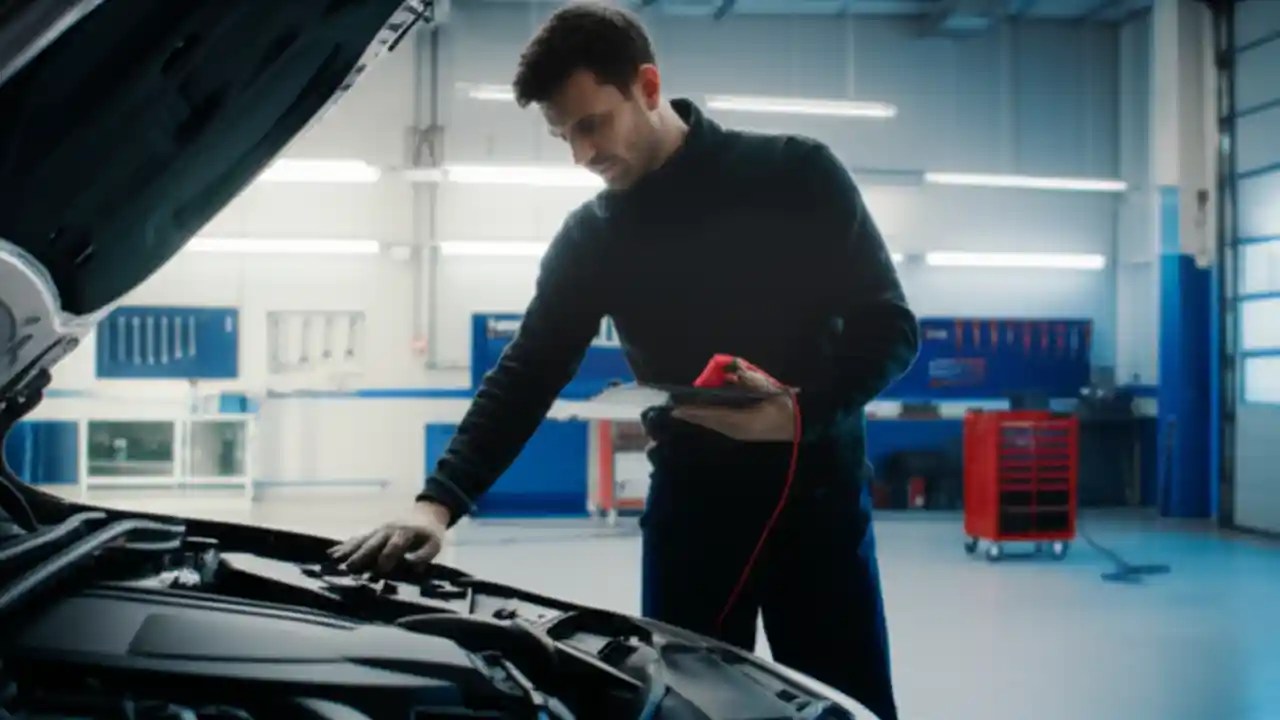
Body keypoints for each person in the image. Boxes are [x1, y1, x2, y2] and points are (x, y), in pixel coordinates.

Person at [331, 3, 919, 717]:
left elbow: (888, 329)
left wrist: (796, 415)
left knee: (849, 705)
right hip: (693, 516)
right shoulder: (592, 238)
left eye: (591, 125)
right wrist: (437, 504)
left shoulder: (796, 174)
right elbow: (529, 371)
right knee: (679, 708)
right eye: (561, 136)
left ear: (646, 85)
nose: (580, 156)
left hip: (818, 505)